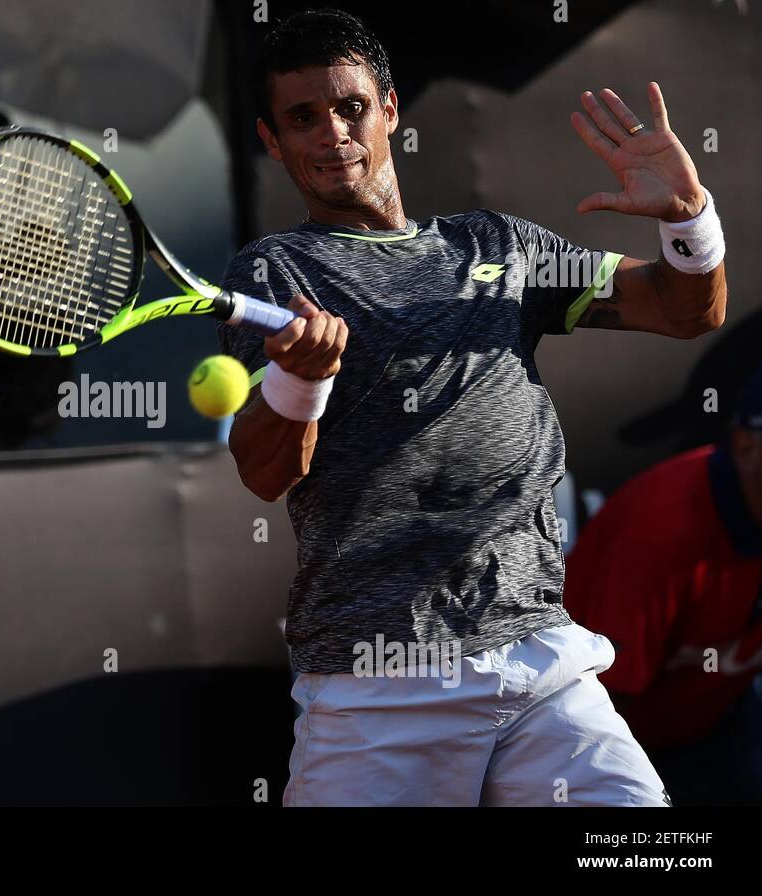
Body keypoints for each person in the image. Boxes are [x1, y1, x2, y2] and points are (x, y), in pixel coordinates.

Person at [218, 9, 728, 806]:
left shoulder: (500, 246)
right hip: (376, 686)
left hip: (542, 666)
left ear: (389, 110)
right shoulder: (275, 272)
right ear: (272, 141)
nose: (332, 134)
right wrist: (299, 382)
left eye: (350, 106)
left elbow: (681, 310)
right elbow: (264, 470)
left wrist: (688, 222)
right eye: (302, 118)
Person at [565, 361, 762, 805]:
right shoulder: (658, 534)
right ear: (748, 448)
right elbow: (589, 719)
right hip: (634, 746)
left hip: (722, 715)